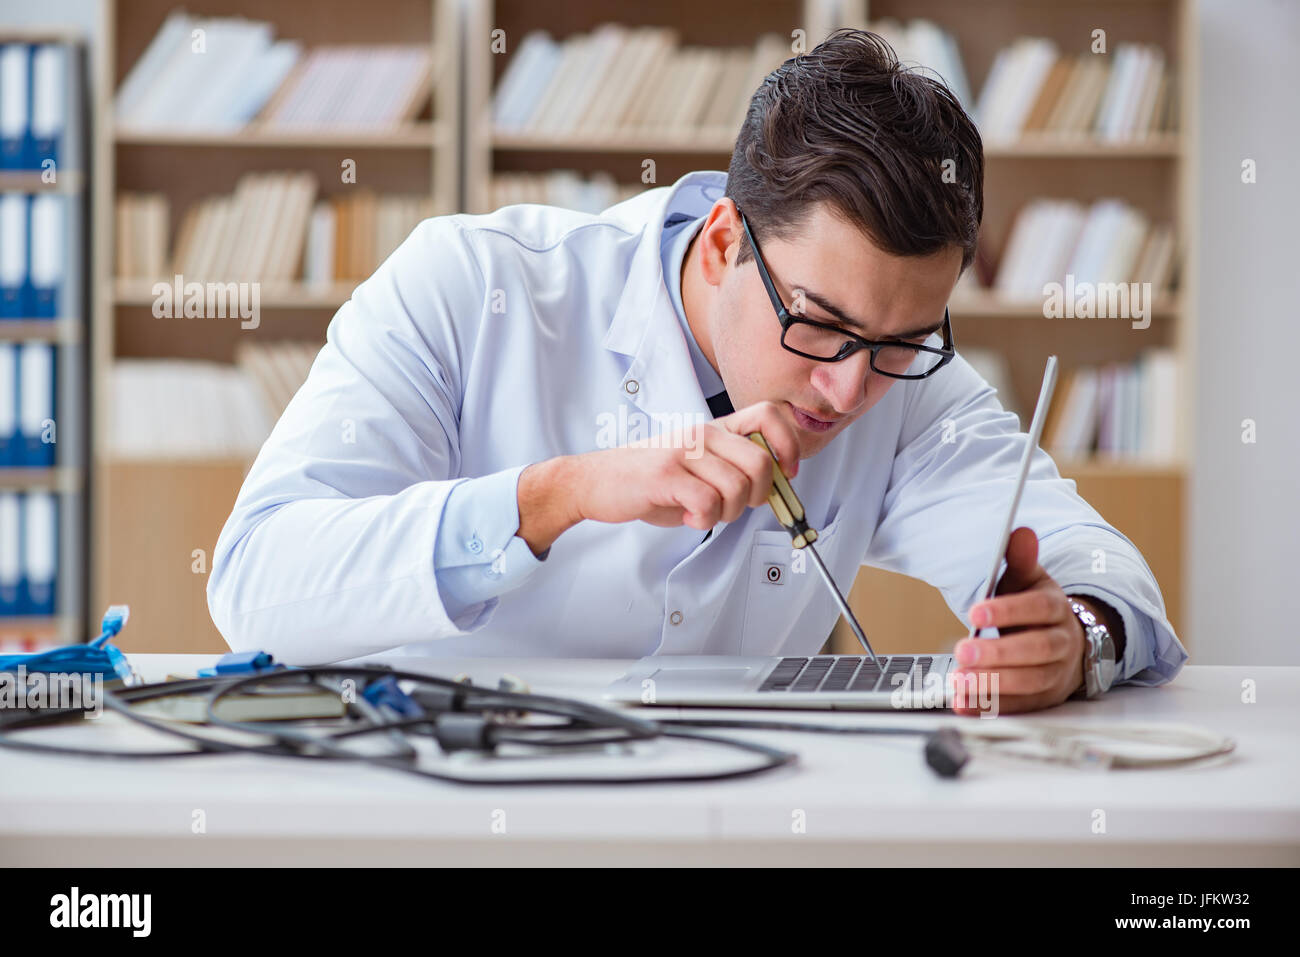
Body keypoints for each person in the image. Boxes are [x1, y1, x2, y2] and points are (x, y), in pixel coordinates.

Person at [208, 29, 1188, 714]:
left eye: (900, 341)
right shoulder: (472, 285)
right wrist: (560, 495)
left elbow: (1101, 570)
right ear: (724, 242)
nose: (850, 390)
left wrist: (1078, 638)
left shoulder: (905, 379)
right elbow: (257, 582)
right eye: (822, 324)